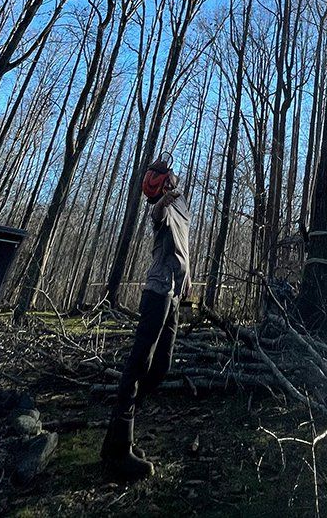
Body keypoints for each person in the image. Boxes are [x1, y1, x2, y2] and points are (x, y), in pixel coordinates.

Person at [101, 156, 192, 482]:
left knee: (160, 368)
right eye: (167, 181)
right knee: (139, 364)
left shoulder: (182, 206)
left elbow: (182, 248)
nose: (172, 182)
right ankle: (119, 448)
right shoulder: (164, 207)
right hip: (157, 291)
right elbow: (155, 216)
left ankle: (115, 438)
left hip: (175, 295)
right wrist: (162, 200)